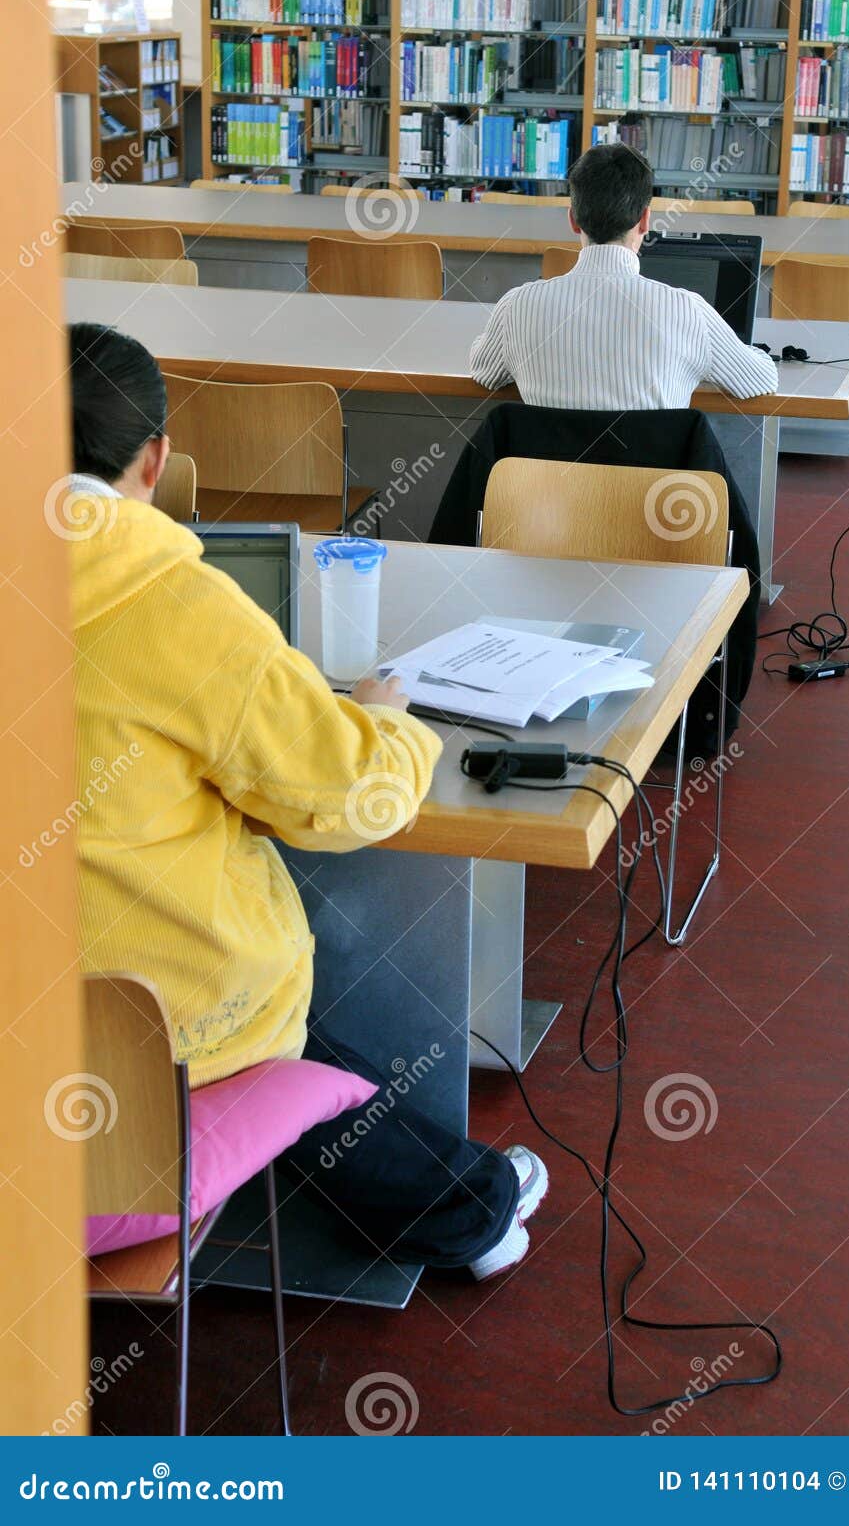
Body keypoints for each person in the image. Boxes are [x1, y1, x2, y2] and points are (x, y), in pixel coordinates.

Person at [64, 322, 547, 1281]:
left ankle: (467, 1201)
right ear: (156, 459)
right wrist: (390, 724)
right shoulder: (174, 606)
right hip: (102, 1163)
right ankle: (467, 1213)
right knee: (247, 999)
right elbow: (349, 799)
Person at [470, 143, 779, 409]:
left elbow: (484, 373)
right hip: (650, 480)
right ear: (645, 220)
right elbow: (760, 380)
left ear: (573, 220)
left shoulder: (517, 307)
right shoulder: (688, 312)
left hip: (546, 479)